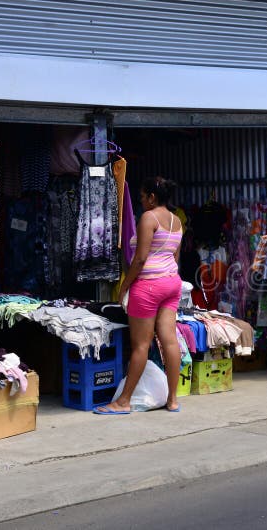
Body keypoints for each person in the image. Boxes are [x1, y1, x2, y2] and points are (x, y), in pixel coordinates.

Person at [94, 177, 184, 414]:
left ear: (152, 197)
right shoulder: (177, 221)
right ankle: (173, 399)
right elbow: (174, 258)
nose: (141, 200)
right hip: (171, 283)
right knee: (170, 341)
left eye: (143, 196)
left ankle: (123, 402)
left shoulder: (148, 218)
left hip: (149, 286)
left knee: (140, 346)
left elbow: (140, 259)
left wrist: (125, 286)